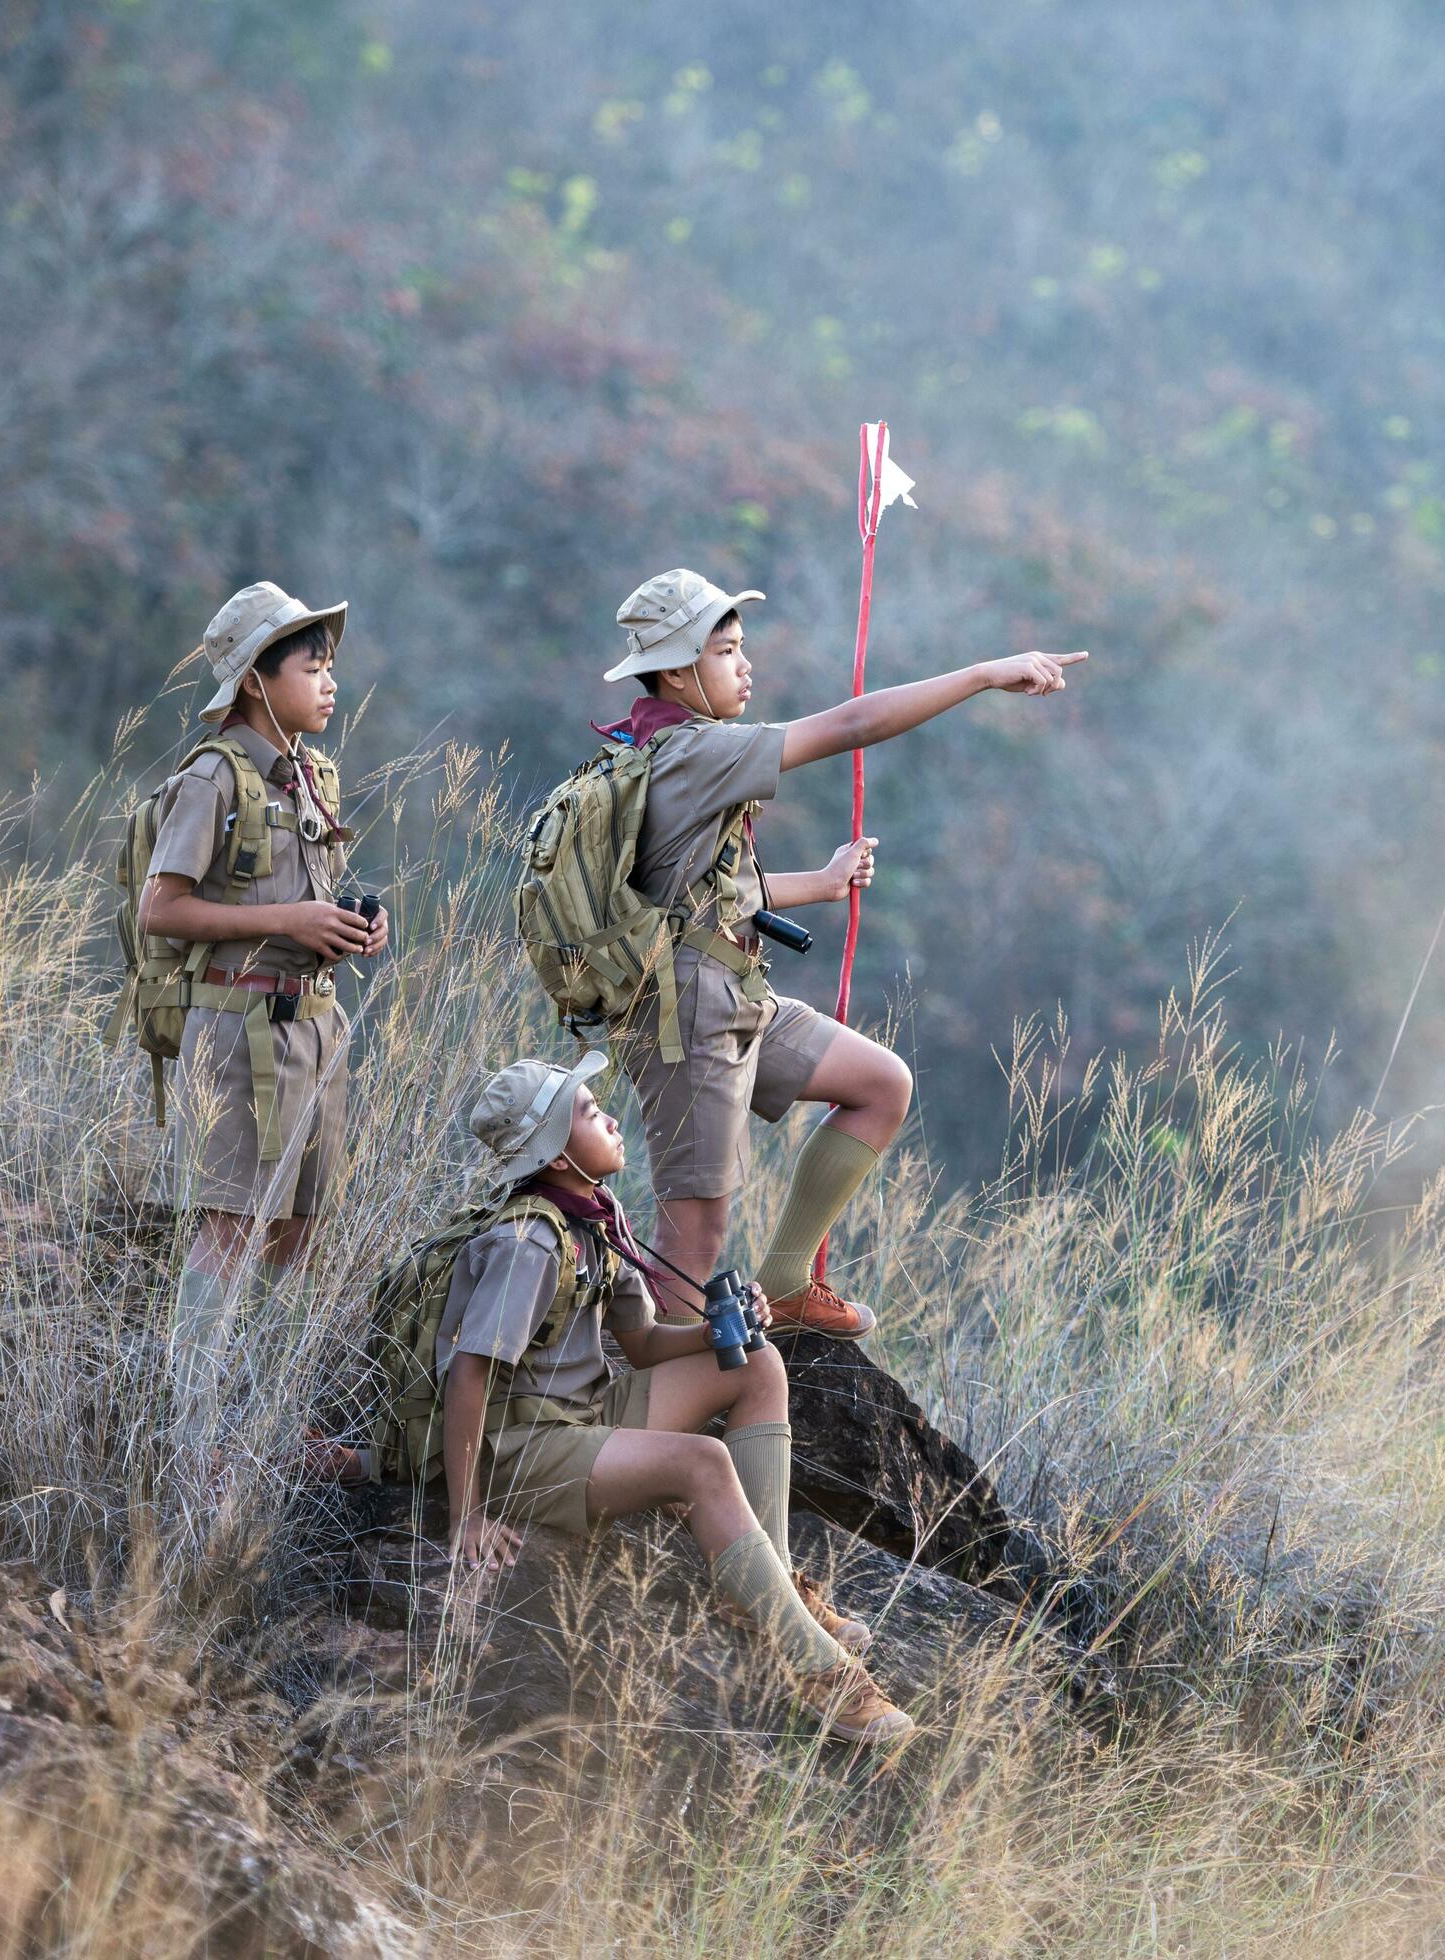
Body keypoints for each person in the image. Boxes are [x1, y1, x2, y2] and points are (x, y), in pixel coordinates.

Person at [593, 567, 1086, 1337]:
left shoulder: (669, 745)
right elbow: (852, 725)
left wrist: (818, 886)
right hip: (683, 1012)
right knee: (695, 1236)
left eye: (740, 647)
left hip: (730, 987)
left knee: (879, 1085)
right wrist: (985, 674)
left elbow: (692, 895)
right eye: (726, 652)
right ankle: (653, 1405)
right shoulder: (690, 752)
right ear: (679, 671)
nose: (745, 666)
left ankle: (785, 1281)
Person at [414, 1051, 914, 1746]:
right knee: (703, 1463)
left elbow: (644, 1343)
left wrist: (718, 1328)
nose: (609, 1116)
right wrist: (467, 1515)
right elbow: (469, 1375)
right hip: (525, 1452)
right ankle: (815, 1671)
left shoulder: (595, 1214)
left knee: (757, 1365)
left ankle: (765, 1593)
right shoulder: (528, 1243)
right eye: (588, 1113)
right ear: (557, 1153)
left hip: (587, 1415)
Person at [137, 581, 390, 1487]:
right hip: (237, 1026)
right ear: (255, 680)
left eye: (329, 667)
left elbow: (297, 907)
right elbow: (161, 908)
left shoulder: (312, 779)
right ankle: (194, 1439)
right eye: (311, 668)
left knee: (299, 1236)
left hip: (313, 1027)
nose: (329, 684)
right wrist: (288, 917)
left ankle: (271, 1422)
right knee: (229, 1234)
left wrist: (344, 928)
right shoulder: (213, 777)